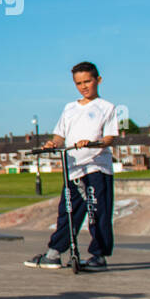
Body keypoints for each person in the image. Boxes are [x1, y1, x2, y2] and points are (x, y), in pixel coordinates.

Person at [25, 61, 119, 270]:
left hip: (97, 167)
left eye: (87, 81)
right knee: (68, 211)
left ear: (98, 80)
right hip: (74, 169)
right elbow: (60, 136)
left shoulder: (107, 108)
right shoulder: (69, 108)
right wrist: (53, 143)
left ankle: (98, 256)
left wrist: (92, 142)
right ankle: (54, 254)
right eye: (79, 83)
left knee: (97, 212)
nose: (84, 86)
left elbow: (110, 138)